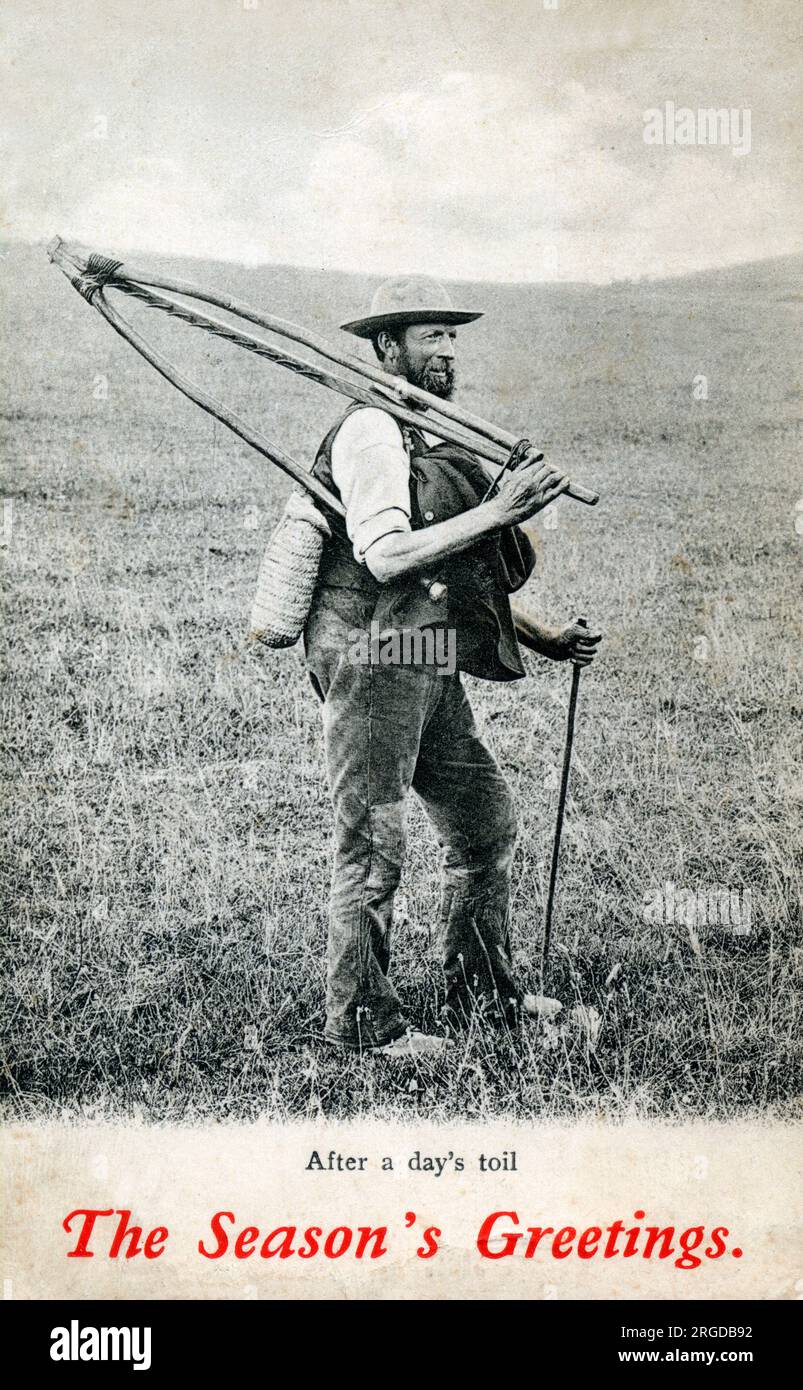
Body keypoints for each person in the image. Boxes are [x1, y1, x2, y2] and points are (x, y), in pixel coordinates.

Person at [303, 275, 601, 1058]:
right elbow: (388, 554)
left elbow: (458, 569)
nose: (445, 350)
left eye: (452, 336)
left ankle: (483, 992)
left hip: (423, 653)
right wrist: (503, 508)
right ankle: (364, 1025)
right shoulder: (371, 431)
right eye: (428, 336)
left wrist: (543, 636)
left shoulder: (427, 432)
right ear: (385, 347)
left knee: (482, 825)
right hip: (372, 656)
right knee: (373, 846)